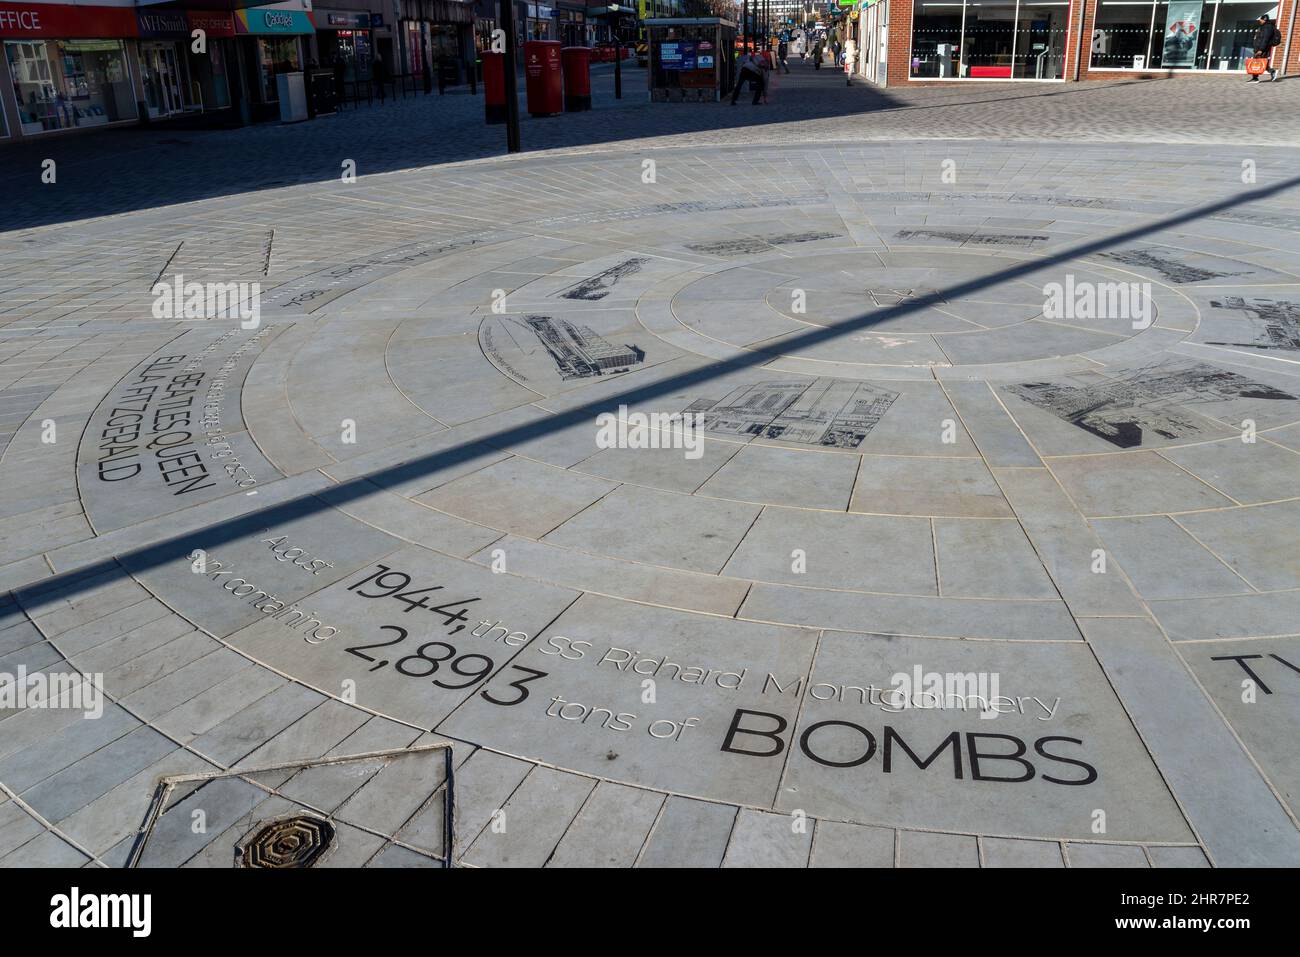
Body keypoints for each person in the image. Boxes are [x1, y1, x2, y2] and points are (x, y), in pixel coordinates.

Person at [1248, 13, 1282, 82]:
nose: (1259, 20)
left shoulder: (1267, 27)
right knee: (1258, 62)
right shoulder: (1263, 27)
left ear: (1264, 20)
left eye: (1261, 19)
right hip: (1258, 48)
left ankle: (1270, 72)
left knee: (1259, 62)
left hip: (1262, 48)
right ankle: (1256, 77)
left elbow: (1265, 39)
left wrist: (1261, 49)